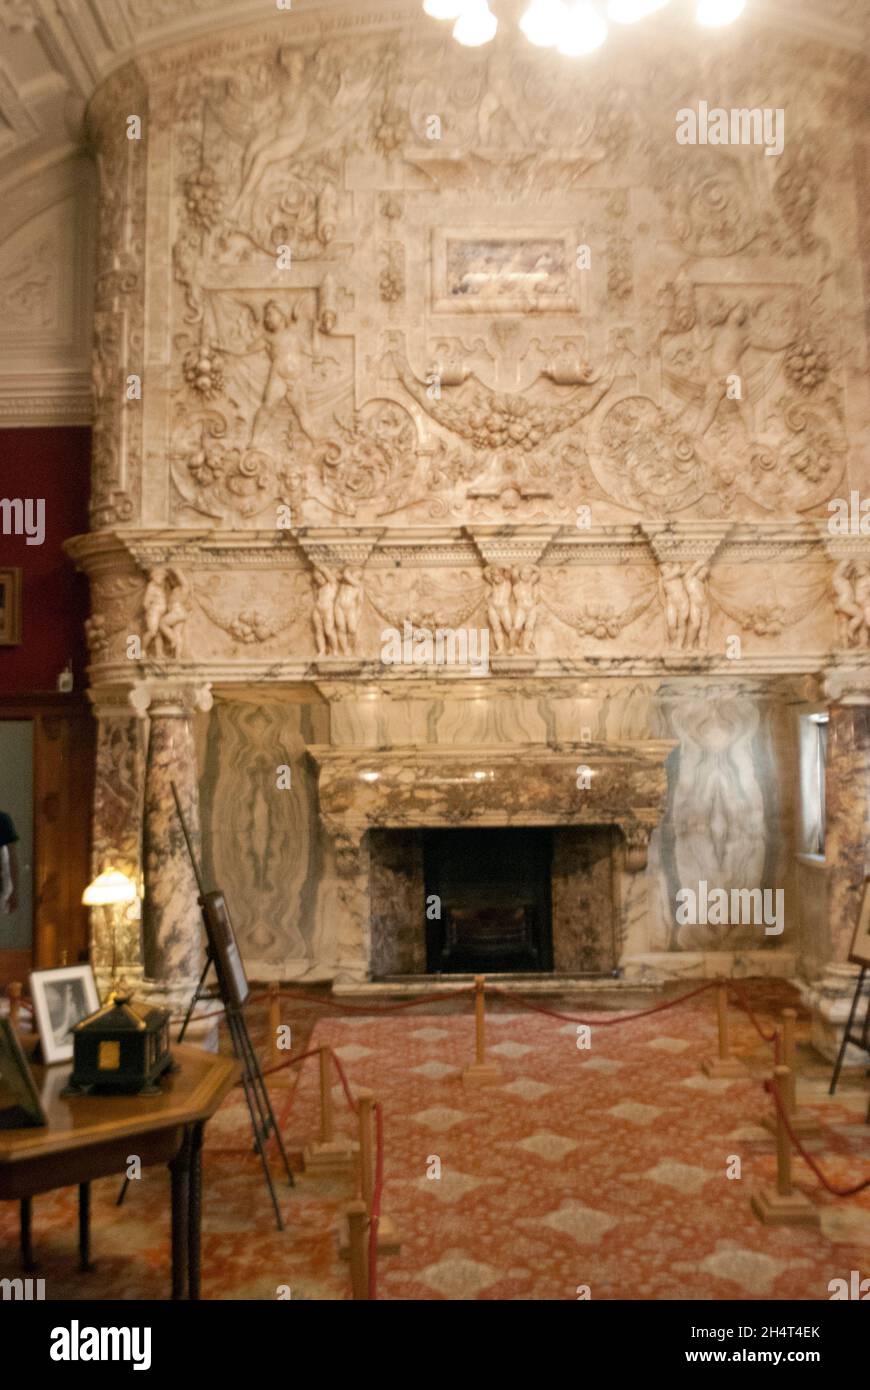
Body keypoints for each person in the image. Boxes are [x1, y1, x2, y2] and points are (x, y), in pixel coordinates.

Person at [0, 811, 18, 915]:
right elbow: (12, 858)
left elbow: (12, 858)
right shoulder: (3, 820)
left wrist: (14, 891)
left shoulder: (3, 820)